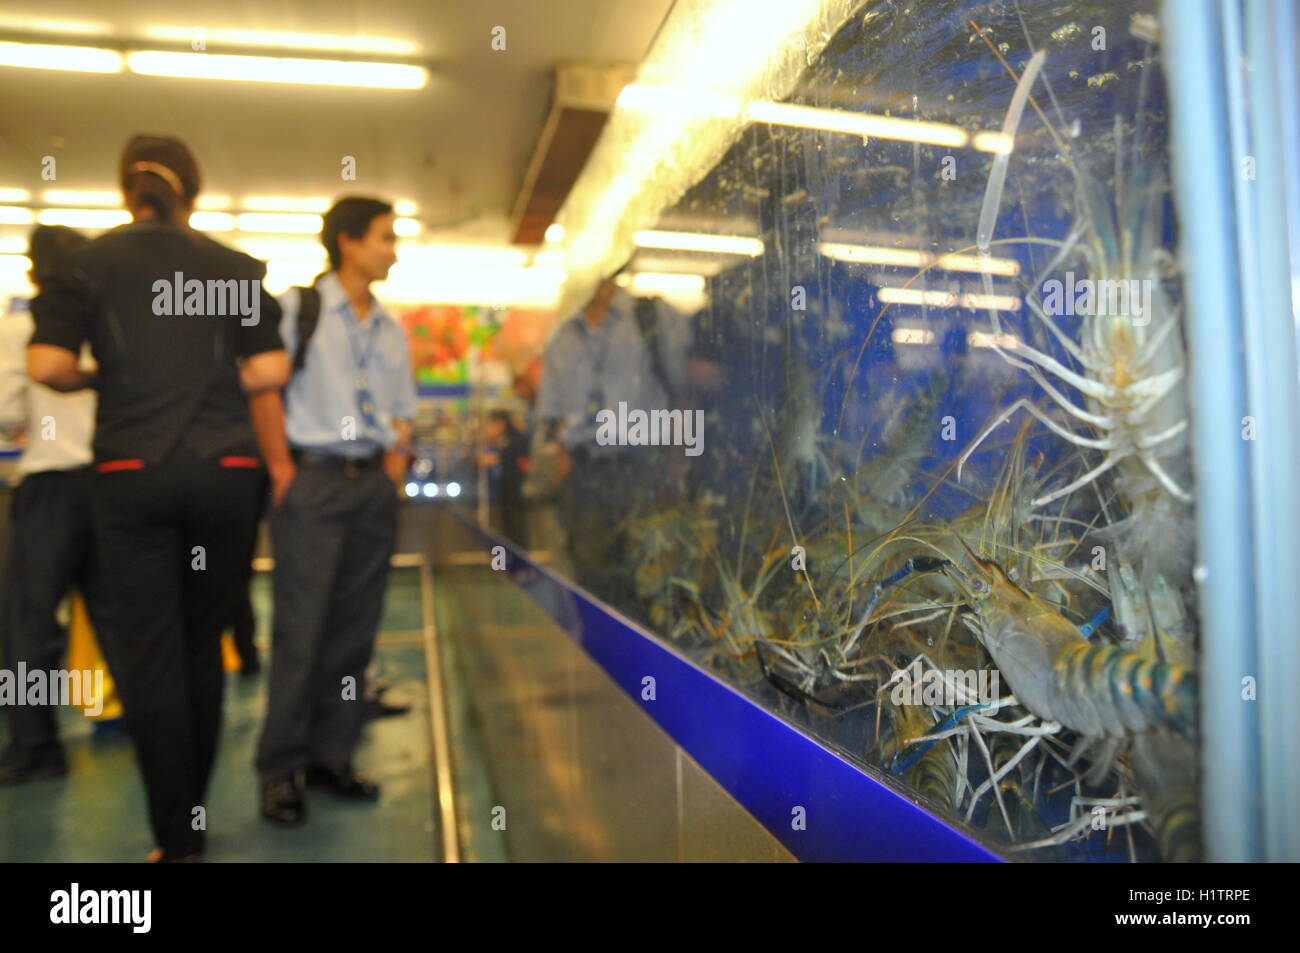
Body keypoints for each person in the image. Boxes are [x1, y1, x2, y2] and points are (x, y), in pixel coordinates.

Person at [28, 134, 289, 861]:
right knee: (203, 643)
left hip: (130, 472)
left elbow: (48, 363)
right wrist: (203, 390)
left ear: (125, 190)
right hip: (224, 472)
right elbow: (268, 366)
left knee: (151, 655)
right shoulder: (230, 266)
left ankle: (175, 839)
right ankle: (197, 819)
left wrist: (107, 381)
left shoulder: (86, 265)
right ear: (192, 194)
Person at [252, 196, 415, 825]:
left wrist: (390, 472)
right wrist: (282, 468)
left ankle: (331, 756)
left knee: (354, 633)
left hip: (371, 487)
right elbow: (264, 384)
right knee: (302, 631)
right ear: (347, 242)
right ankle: (279, 770)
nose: (392, 250)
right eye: (383, 237)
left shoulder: (391, 328)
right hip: (313, 482)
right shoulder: (303, 309)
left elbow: (401, 411)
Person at [0, 225, 114, 785]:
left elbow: (1, 412)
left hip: (49, 489)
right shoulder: (110, 328)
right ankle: (148, 723)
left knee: (30, 624)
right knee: (124, 620)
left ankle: (36, 748)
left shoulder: (22, 329)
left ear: (33, 272)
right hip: (112, 487)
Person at [535, 265, 689, 604]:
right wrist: (563, 472)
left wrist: (677, 462)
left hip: (642, 465)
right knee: (590, 573)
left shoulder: (650, 316)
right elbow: (555, 418)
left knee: (649, 571)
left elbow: (684, 390)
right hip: (585, 471)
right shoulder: (564, 336)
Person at [477, 409, 528, 546]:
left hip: (516, 493)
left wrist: (496, 458)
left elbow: (515, 461)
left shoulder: (516, 440)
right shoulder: (500, 442)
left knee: (516, 531)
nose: (488, 429)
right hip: (504, 493)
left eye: (491, 424)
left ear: (500, 423)